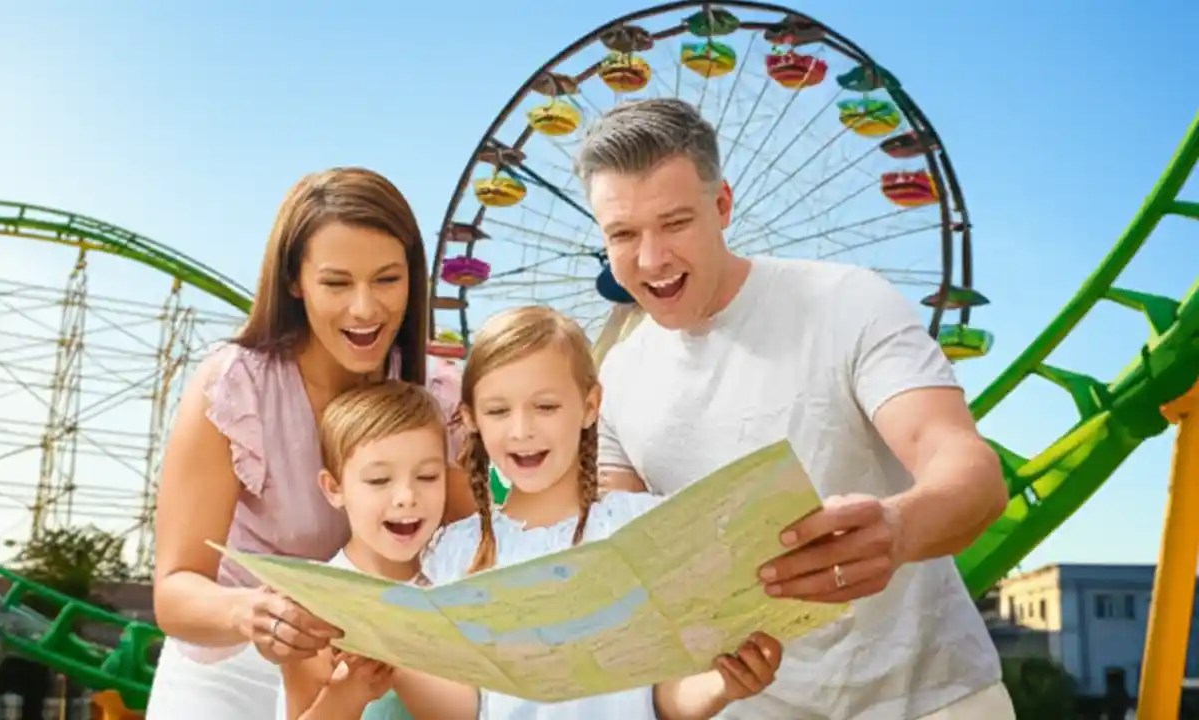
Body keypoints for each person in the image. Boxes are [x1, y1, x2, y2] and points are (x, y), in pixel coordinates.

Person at [579, 98, 1013, 719]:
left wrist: (898, 528)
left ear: (722, 205)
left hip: (931, 697)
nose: (650, 260)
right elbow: (618, 547)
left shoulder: (846, 301)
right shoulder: (617, 377)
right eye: (622, 234)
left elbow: (968, 470)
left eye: (675, 223)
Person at [145, 167, 475, 718]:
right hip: (231, 671)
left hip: (375, 679)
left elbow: (475, 554)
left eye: (388, 280)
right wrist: (253, 611)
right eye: (337, 283)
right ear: (296, 281)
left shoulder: (434, 395)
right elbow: (174, 591)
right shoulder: (234, 388)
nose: (365, 308)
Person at [392, 305, 783, 720]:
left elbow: (666, 697)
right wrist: (391, 660)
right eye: (498, 411)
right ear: (471, 418)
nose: (521, 430)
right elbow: (464, 711)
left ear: (591, 405)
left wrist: (721, 684)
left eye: (545, 406)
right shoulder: (455, 551)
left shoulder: (647, 527)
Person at [280, 380, 450, 720]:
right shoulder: (316, 603)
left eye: (428, 476)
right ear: (334, 488)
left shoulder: (456, 583)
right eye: (379, 481)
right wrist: (349, 693)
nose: (406, 496)